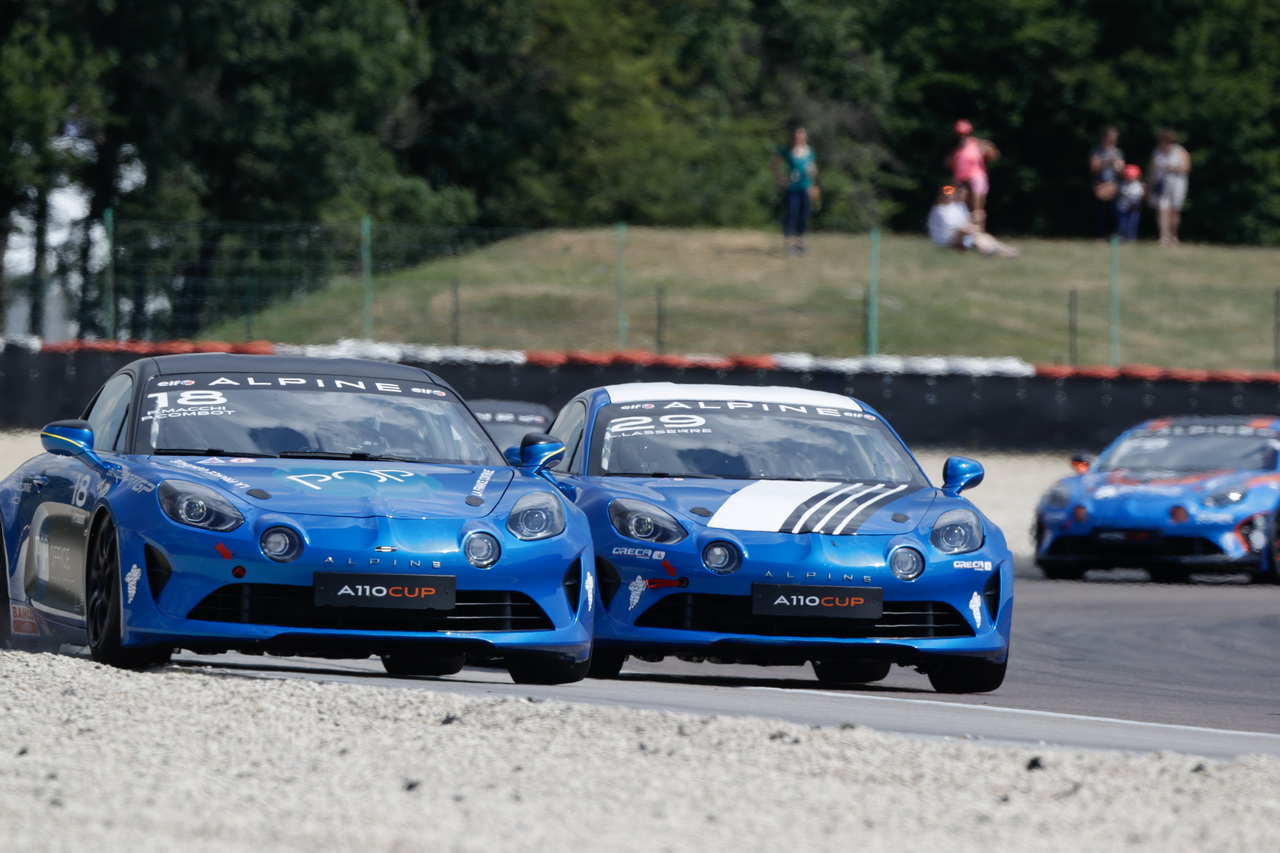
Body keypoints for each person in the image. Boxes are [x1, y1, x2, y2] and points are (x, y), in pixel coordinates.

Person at [926, 183, 1020, 258]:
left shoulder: (953, 207)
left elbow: (960, 223)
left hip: (956, 235)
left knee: (982, 236)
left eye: (950, 195)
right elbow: (953, 226)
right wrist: (971, 222)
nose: (949, 197)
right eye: (947, 196)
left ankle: (1004, 251)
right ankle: (992, 250)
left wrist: (971, 222)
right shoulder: (939, 210)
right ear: (941, 196)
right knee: (971, 232)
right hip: (944, 238)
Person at [771, 121, 818, 257]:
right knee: (791, 214)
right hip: (792, 188)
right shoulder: (787, 150)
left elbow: (813, 169)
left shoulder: (809, 151)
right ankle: (788, 245)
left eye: (802, 133)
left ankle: (800, 243)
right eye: (797, 134)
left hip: (805, 188)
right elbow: (774, 164)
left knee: (803, 216)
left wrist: (813, 178)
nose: (800, 136)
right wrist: (781, 178)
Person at [946, 119, 998, 228]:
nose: (962, 137)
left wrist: (988, 148)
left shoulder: (977, 144)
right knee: (957, 206)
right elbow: (948, 165)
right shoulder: (955, 149)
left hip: (976, 179)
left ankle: (978, 231)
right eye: (959, 135)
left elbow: (994, 156)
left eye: (964, 134)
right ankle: (961, 232)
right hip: (959, 181)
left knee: (977, 208)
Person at [1148, 128, 1191, 246]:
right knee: (1162, 209)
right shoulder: (1157, 152)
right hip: (1161, 184)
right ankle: (1163, 236)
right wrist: (1149, 183)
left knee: (1174, 210)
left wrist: (1173, 168)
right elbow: (1151, 169)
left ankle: (1173, 235)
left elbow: (1186, 167)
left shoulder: (1179, 151)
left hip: (1177, 184)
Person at [1089, 126, 1125, 238]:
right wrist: (1106, 162)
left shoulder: (1118, 152)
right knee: (1100, 212)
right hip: (1100, 183)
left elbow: (1121, 171)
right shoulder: (1097, 150)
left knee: (1114, 211)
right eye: (1111, 137)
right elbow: (1093, 168)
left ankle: (1114, 235)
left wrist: (1118, 166)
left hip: (1113, 183)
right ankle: (1100, 235)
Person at [1115, 163, 1145, 243]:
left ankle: (1131, 238)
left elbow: (1140, 196)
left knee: (1133, 223)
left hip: (1134, 209)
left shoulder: (1138, 186)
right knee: (1123, 223)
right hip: (1123, 208)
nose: (1130, 178)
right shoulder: (1123, 184)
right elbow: (1122, 193)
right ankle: (1122, 237)